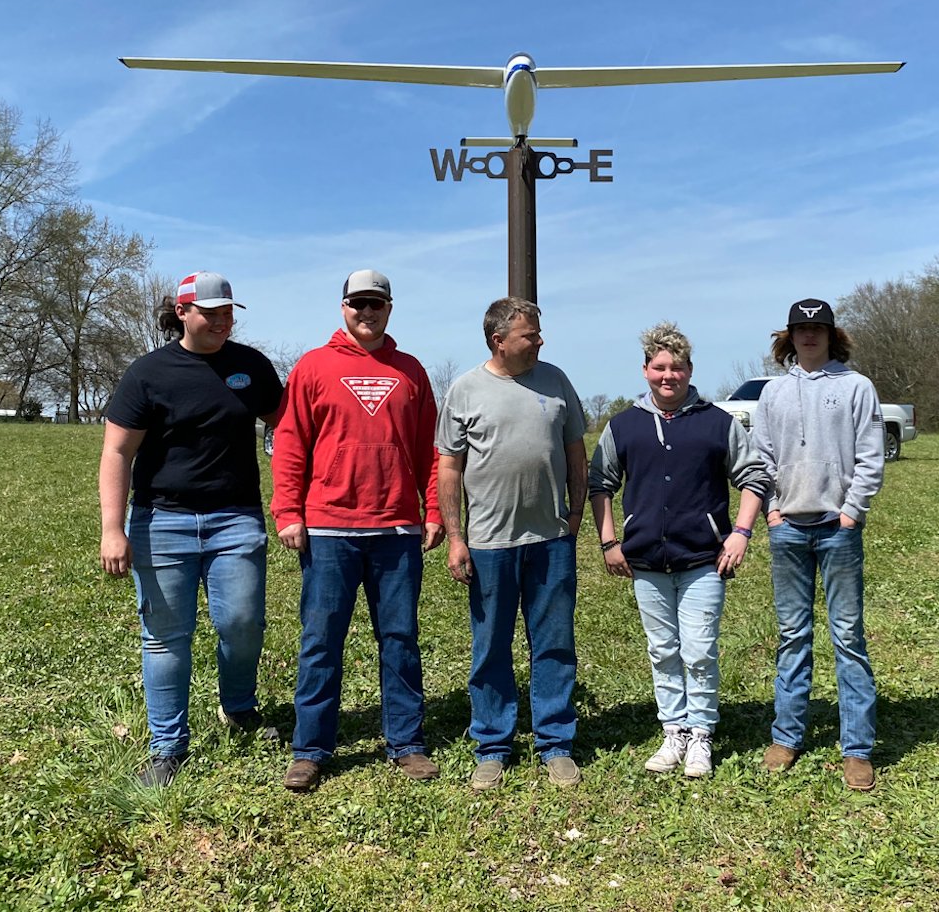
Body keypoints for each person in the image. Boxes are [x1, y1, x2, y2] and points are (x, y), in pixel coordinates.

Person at [99, 271, 284, 787]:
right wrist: (113, 529)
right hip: (162, 522)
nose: (222, 320)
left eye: (229, 311)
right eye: (211, 312)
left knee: (243, 623)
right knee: (164, 638)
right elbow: (117, 452)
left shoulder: (250, 366)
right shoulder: (148, 374)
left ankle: (239, 709)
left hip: (236, 519)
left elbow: (285, 420)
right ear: (182, 312)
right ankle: (167, 747)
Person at [269, 270, 444, 793]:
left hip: (395, 529)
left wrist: (432, 508)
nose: (367, 313)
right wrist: (287, 512)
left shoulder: (410, 371)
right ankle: (311, 749)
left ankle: (406, 742)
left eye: (377, 304)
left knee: (400, 638)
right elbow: (291, 440)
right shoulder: (313, 367)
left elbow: (428, 449)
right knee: (321, 641)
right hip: (327, 528)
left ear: (390, 308)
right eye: (357, 304)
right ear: (342, 307)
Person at [588, 322, 766, 778]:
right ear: (645, 370)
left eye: (678, 367)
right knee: (662, 648)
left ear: (690, 370)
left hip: (704, 558)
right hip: (645, 559)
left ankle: (702, 735)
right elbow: (601, 484)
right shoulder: (624, 426)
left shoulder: (717, 422)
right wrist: (610, 540)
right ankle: (674, 731)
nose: (669, 376)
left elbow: (754, 478)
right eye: (659, 367)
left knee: (700, 649)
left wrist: (740, 533)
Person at [436, 297, 587, 790]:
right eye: (529, 334)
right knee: (490, 647)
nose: (539, 341)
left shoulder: (556, 380)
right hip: (488, 543)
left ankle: (556, 743)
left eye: (538, 332)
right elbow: (450, 467)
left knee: (554, 644)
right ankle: (493, 745)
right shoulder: (465, 389)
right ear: (498, 340)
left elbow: (575, 453)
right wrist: (456, 536)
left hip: (549, 540)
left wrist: (576, 518)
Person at [751, 297, 885, 791]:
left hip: (837, 527)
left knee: (847, 636)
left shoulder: (855, 387)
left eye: (818, 329)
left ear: (831, 336)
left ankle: (857, 749)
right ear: (788, 337)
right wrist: (770, 508)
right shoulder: (773, 393)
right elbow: (760, 458)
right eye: (801, 330)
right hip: (787, 526)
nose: (810, 336)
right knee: (792, 635)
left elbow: (871, 456)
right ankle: (786, 737)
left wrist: (852, 512)